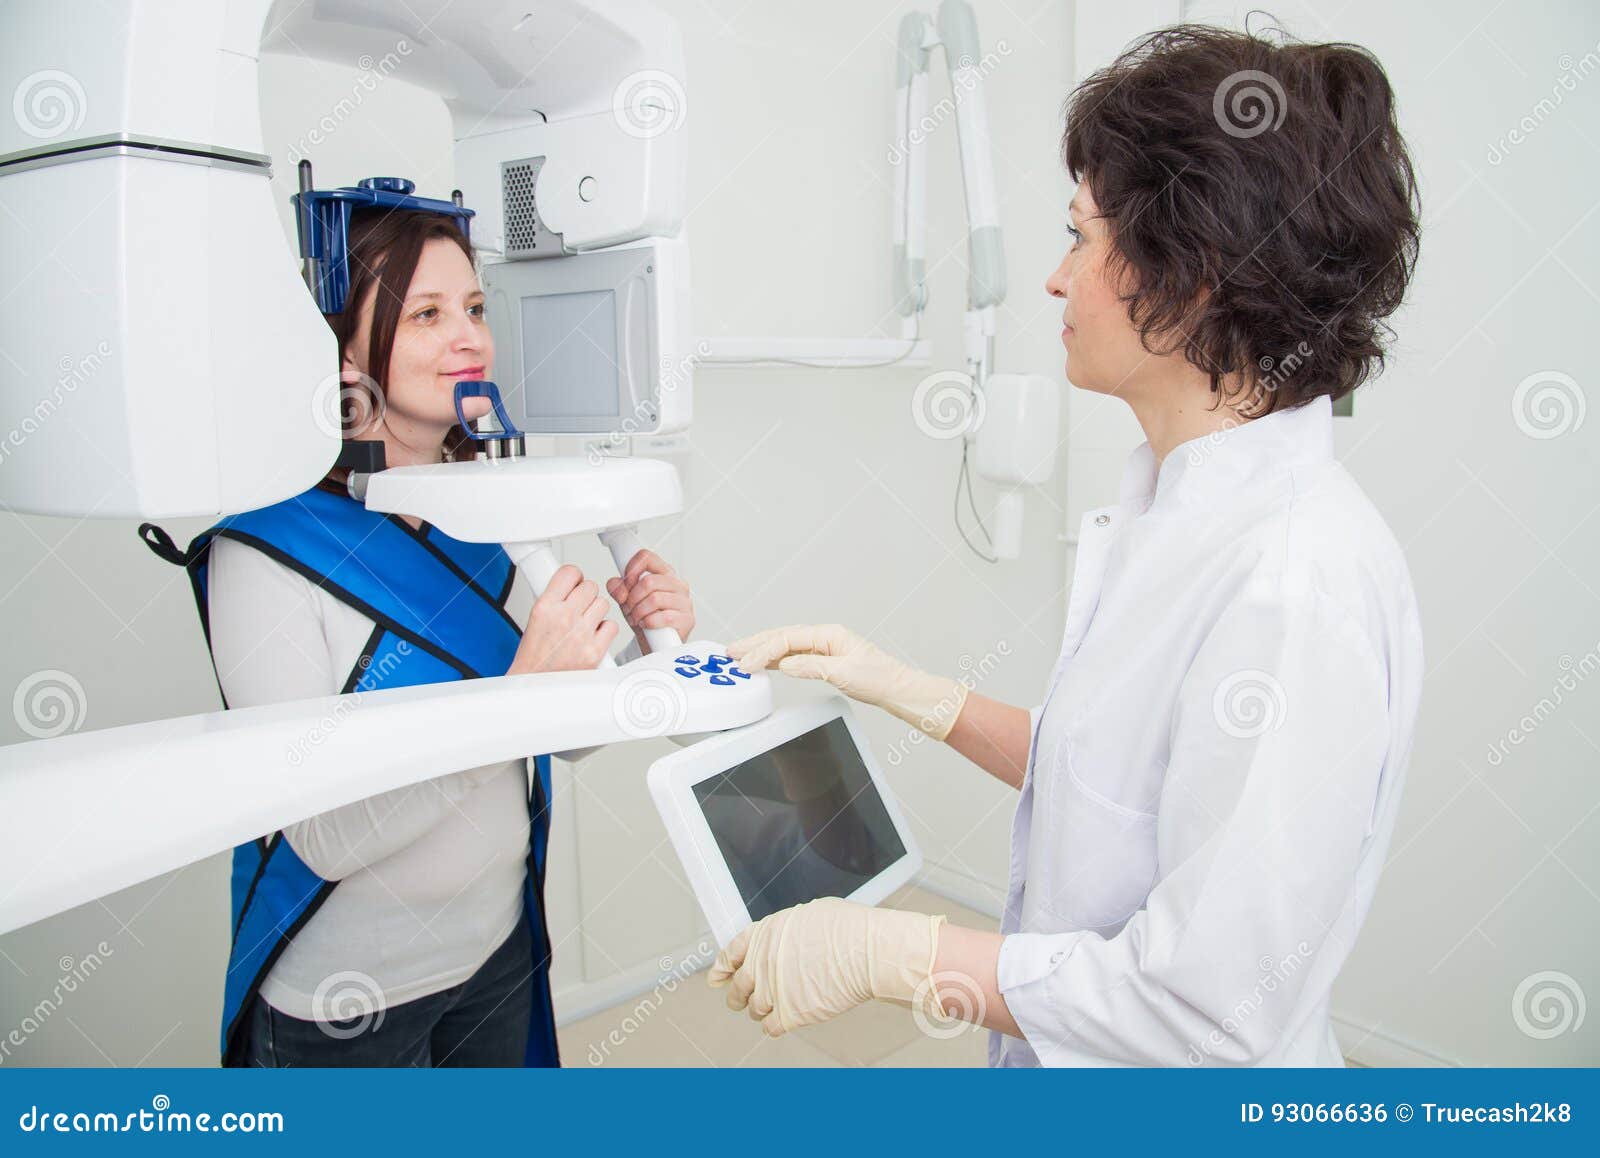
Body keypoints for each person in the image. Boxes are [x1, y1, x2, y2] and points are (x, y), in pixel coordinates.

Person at [711, 24, 1424, 1067]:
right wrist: (918, 694)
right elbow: (1126, 792)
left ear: (1195, 274)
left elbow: (1209, 1009)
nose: (1054, 279)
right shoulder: (1172, 508)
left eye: (1080, 237)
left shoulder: (1291, 583)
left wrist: (895, 954)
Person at [141, 206, 695, 1066]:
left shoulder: (492, 507)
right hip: (347, 1000)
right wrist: (514, 701)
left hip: (499, 952)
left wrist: (638, 645)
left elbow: (561, 738)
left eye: (475, 308)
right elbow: (320, 838)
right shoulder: (266, 551)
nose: (469, 336)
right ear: (343, 349)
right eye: (426, 314)